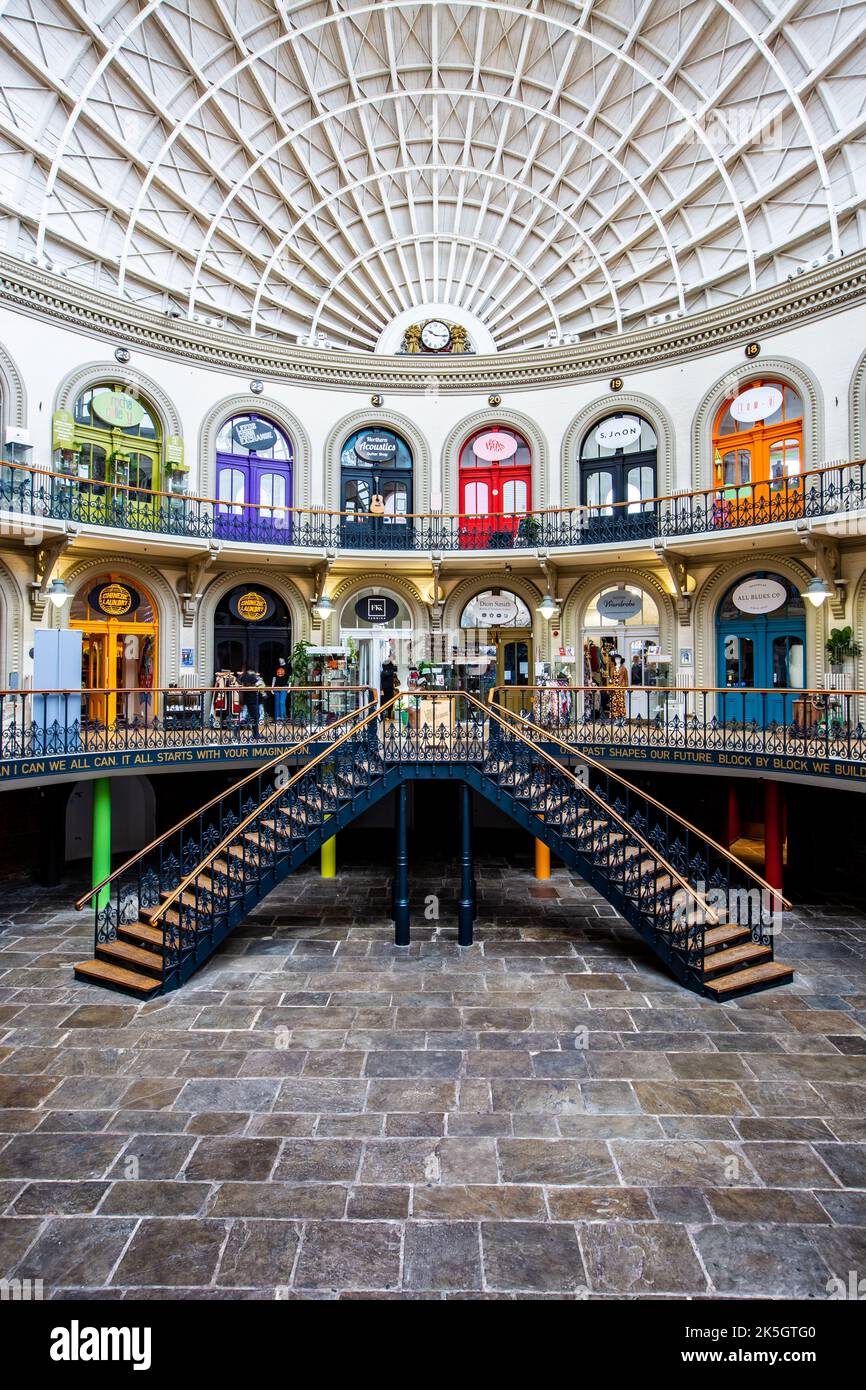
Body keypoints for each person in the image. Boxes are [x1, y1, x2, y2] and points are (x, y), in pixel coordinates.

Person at [238, 667, 262, 736]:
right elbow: (249, 685)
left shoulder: (247, 677)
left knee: (255, 717)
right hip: (250, 700)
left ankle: (255, 734)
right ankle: (255, 734)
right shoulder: (247, 677)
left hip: (253, 700)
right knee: (251, 717)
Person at [609, 652, 629, 720]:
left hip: (621, 688)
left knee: (621, 703)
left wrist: (626, 689)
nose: (617, 660)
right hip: (614, 688)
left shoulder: (624, 669)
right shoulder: (612, 669)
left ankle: (622, 717)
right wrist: (610, 683)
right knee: (614, 703)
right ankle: (615, 717)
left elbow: (626, 679)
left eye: (618, 659)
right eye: (616, 659)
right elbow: (611, 678)